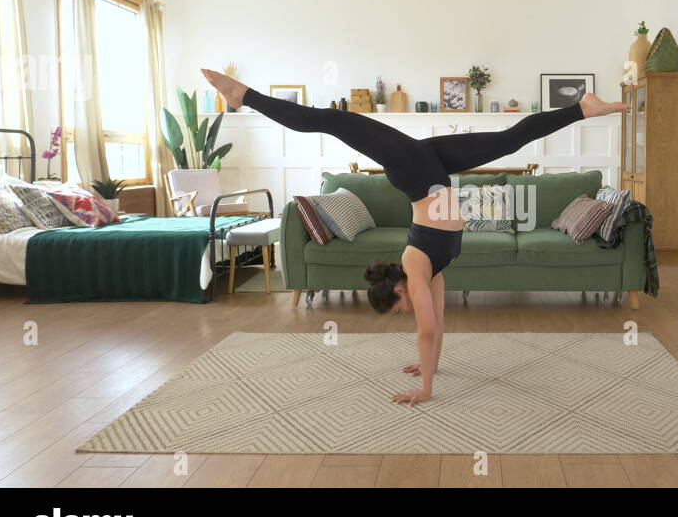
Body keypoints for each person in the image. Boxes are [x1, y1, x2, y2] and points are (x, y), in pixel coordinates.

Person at [201, 68, 629, 405]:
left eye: (400, 307)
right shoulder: (431, 269)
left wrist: (425, 390)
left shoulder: (414, 263)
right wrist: (429, 368)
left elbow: (424, 331)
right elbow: (436, 328)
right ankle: (583, 108)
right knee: (508, 141)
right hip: (429, 167)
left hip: (413, 170)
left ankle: (245, 97)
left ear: (400, 289)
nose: (407, 313)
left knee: (331, 120)